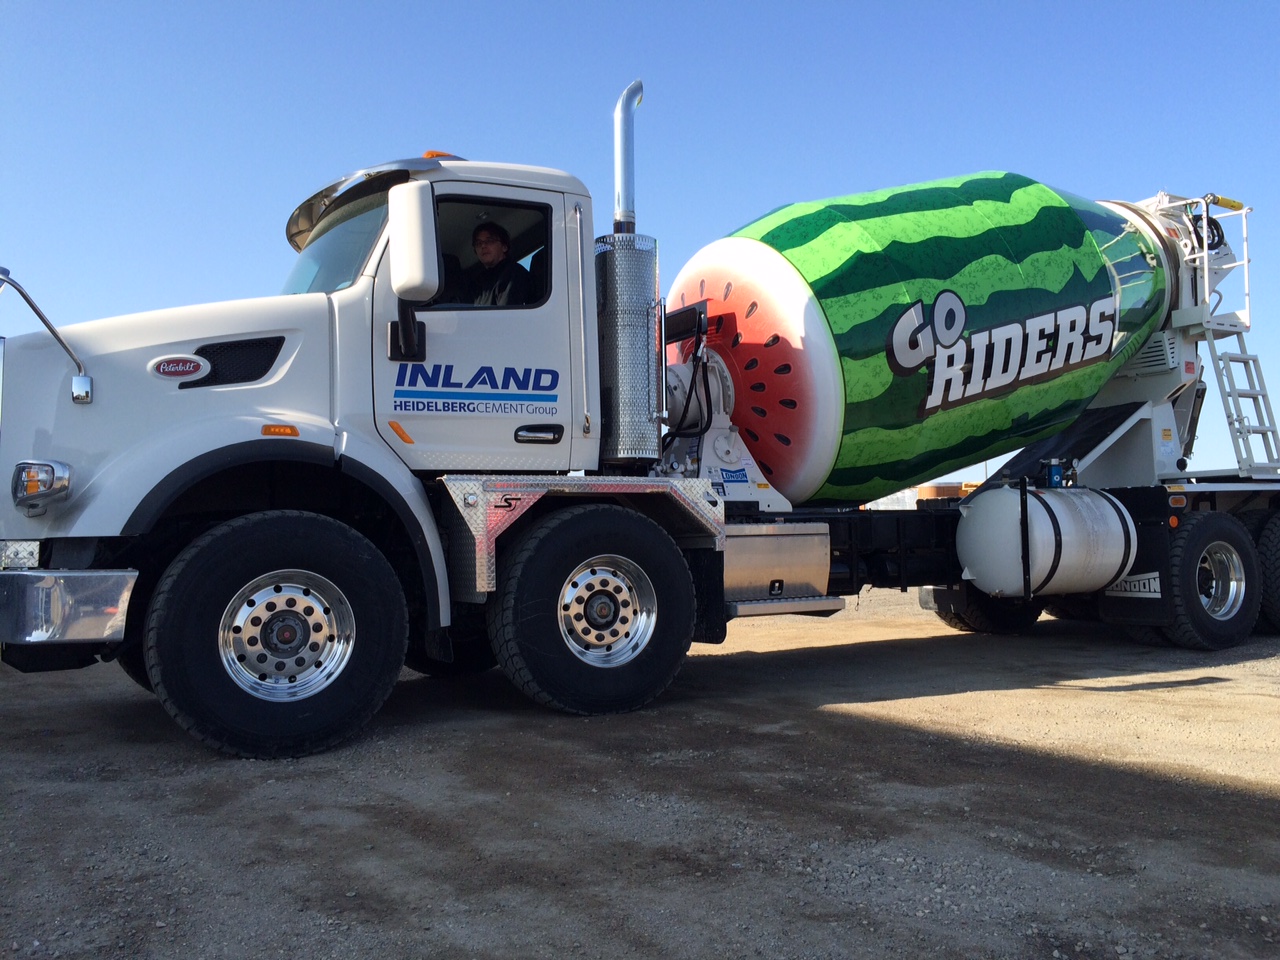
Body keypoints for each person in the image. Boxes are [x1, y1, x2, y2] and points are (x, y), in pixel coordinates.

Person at [465, 222, 532, 306]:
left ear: (504, 247)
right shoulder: (476, 284)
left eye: (489, 241)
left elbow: (507, 315)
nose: (483, 246)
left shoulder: (514, 273)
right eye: (478, 243)